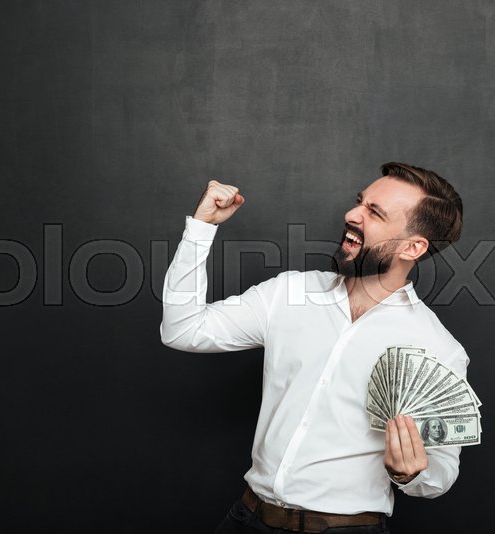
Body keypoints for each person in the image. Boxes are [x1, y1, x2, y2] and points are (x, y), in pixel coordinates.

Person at [160, 162, 470, 533]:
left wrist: (412, 473)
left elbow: (442, 472)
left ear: (413, 246)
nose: (352, 214)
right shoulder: (291, 292)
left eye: (374, 212)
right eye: (360, 201)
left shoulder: (438, 349)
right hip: (247, 520)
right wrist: (202, 228)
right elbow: (183, 329)